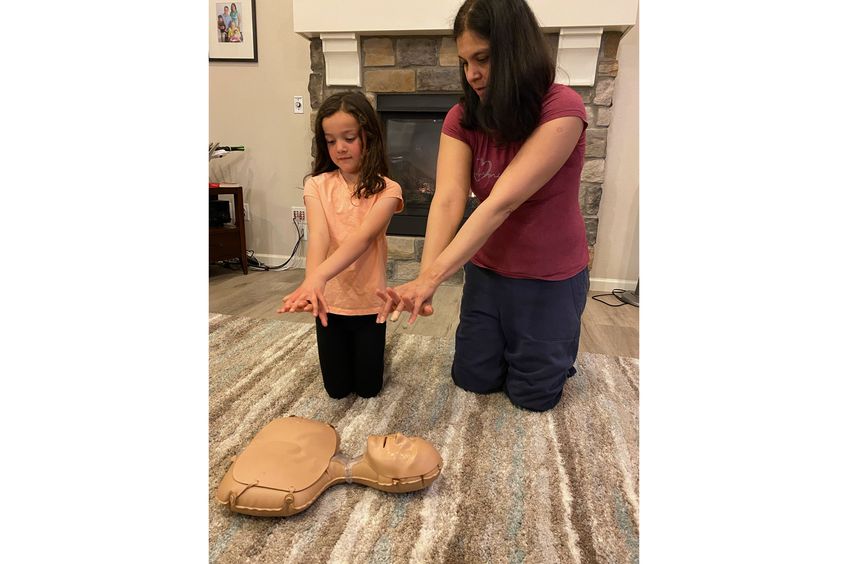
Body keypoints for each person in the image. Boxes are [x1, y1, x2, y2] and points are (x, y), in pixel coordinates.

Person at [376, 0, 590, 412]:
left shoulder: (563, 109)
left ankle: (556, 347)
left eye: (483, 59)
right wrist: (424, 279)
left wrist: (433, 277)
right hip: (488, 275)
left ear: (515, 51)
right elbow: (449, 199)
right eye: (465, 61)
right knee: (472, 381)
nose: (471, 73)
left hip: (549, 280)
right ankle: (530, 347)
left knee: (533, 399)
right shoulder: (463, 117)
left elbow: (500, 204)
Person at [278, 91, 404, 399]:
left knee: (368, 390)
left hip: (369, 304)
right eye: (331, 140)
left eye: (349, 138)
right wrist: (312, 286)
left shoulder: (389, 190)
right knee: (336, 390)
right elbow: (318, 235)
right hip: (329, 305)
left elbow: (362, 240)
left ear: (369, 137)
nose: (340, 148)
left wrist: (317, 277)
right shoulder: (316, 185)